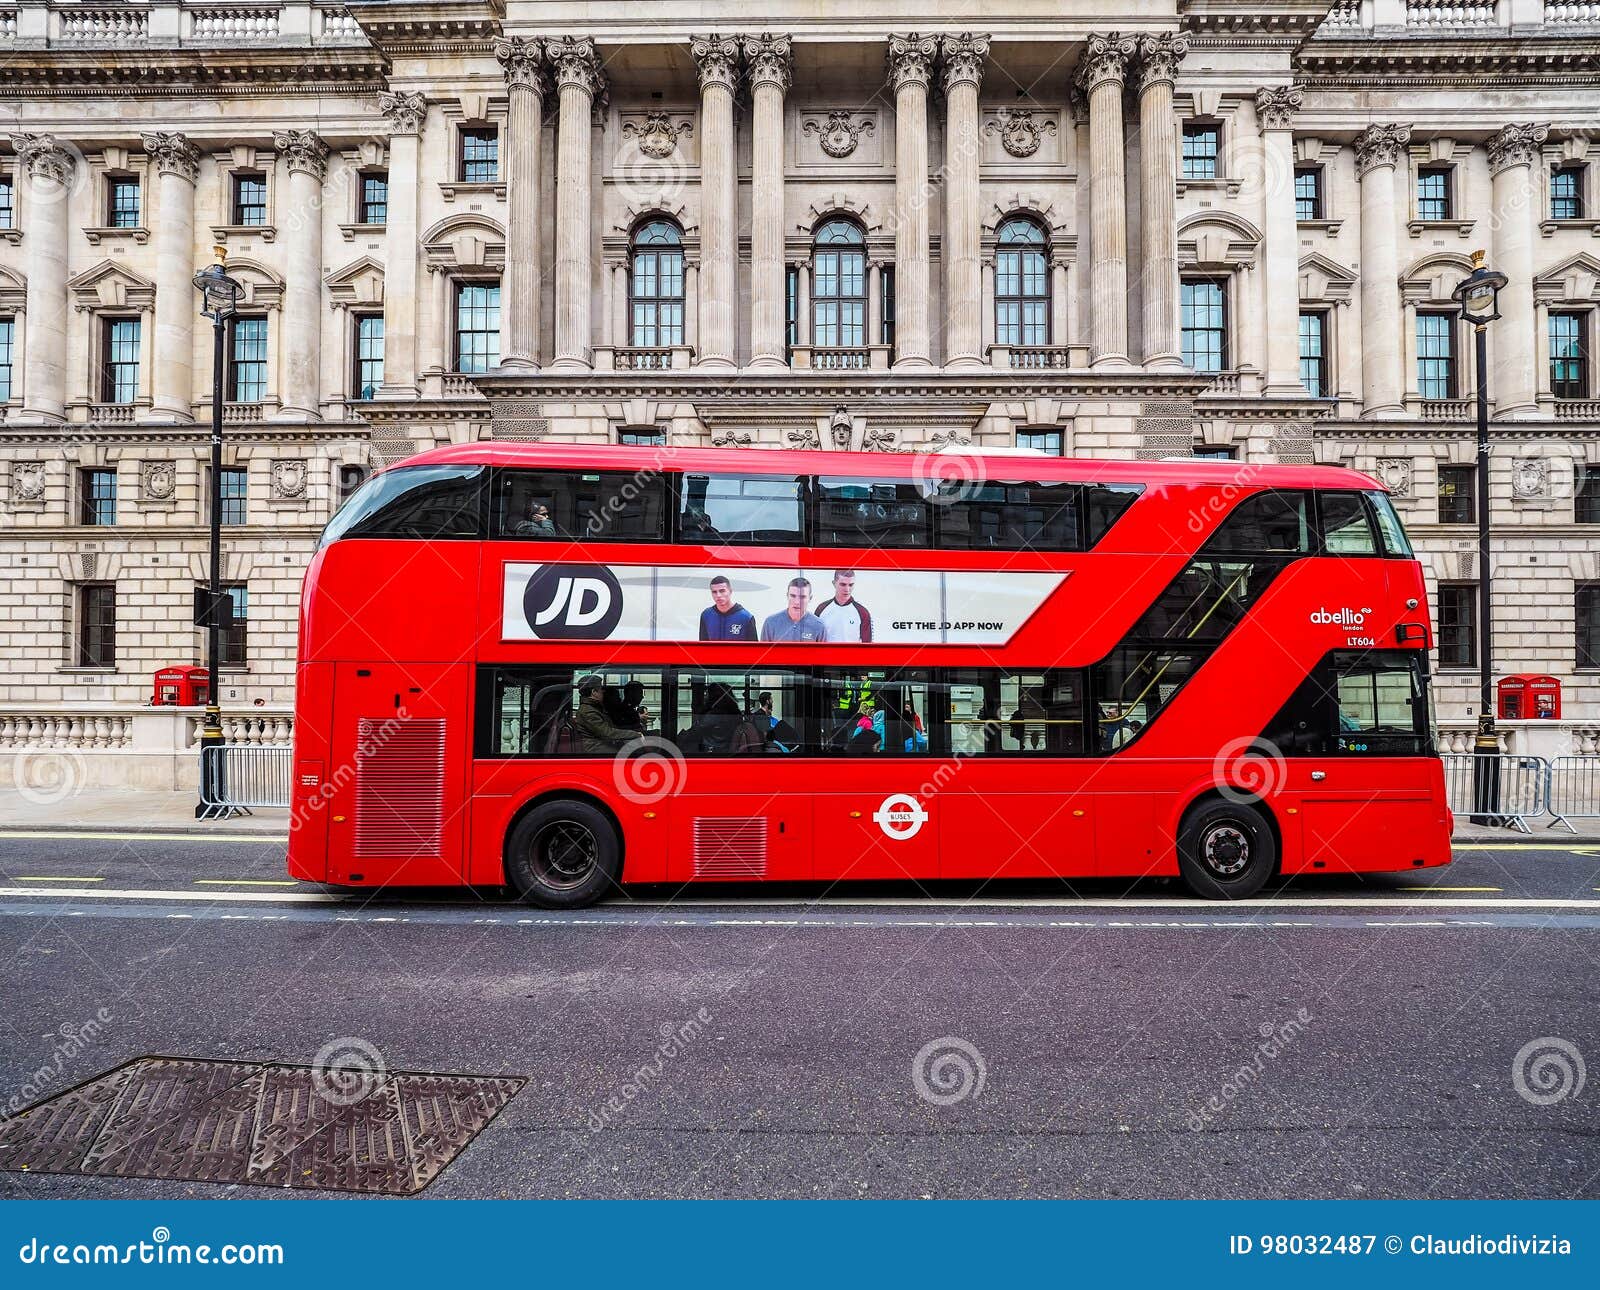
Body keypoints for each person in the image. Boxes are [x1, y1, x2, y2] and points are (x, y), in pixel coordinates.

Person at [575, 675, 632, 754]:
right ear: (594, 692)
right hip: (596, 749)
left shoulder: (594, 708)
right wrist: (634, 734)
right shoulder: (588, 711)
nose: (603, 691)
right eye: (601, 689)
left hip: (601, 745)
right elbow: (607, 733)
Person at [761, 576, 827, 643]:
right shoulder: (771, 623)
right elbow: (762, 652)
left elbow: (823, 653)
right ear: (787, 595)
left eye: (802, 597)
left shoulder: (819, 626)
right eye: (793, 596)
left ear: (810, 598)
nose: (797, 602)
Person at [816, 569, 874, 643]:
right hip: (827, 654)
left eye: (851, 585)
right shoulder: (821, 609)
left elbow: (867, 645)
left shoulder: (863, 612)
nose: (847, 589)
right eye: (843, 584)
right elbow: (815, 640)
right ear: (834, 583)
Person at [699, 575, 759, 642]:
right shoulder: (706, 615)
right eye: (714, 592)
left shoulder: (746, 618)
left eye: (722, 591)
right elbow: (703, 646)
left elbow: (754, 649)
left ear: (730, 591)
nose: (718, 595)